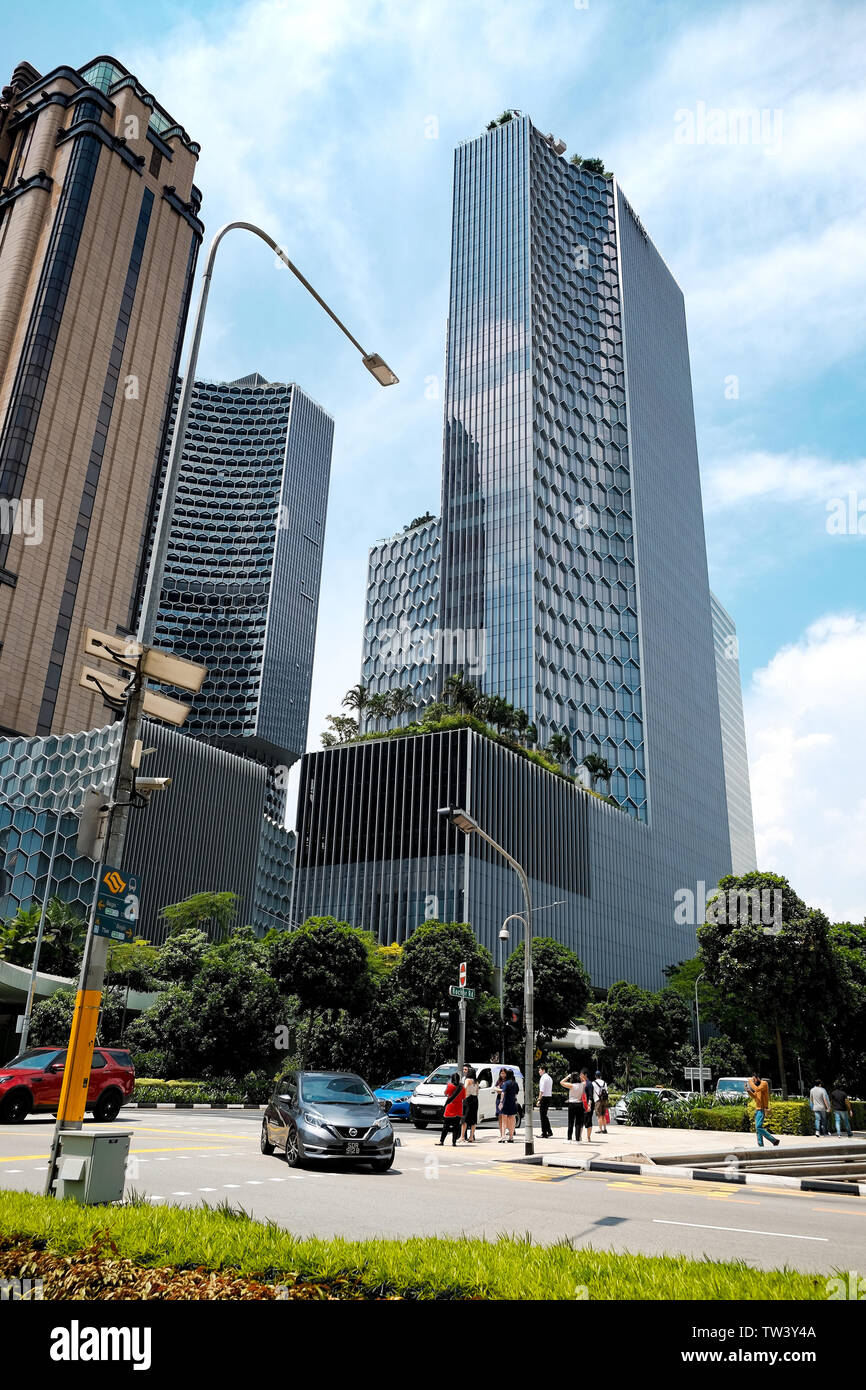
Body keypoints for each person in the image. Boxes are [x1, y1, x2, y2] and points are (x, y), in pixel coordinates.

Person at [745, 1072, 780, 1148]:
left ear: (757, 1078)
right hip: (757, 1109)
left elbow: (757, 1089)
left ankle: (774, 1140)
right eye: (753, 1081)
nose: (753, 1082)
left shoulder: (764, 1084)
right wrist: (748, 1091)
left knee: (758, 1127)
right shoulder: (758, 1087)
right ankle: (760, 1145)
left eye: (754, 1080)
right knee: (757, 1129)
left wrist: (750, 1082)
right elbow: (755, 1096)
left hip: (762, 1109)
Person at [560, 1071, 590, 1142]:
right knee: (578, 1123)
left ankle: (569, 1139)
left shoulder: (571, 1085)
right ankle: (577, 1139)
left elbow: (561, 1082)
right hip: (579, 1104)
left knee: (570, 1122)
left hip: (572, 1104)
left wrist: (568, 1076)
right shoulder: (582, 1085)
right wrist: (580, 1077)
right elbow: (586, 1080)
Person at [438, 1072, 464, 1147]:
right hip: (458, 1108)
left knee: (446, 1126)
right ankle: (454, 1142)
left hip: (450, 1108)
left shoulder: (450, 1086)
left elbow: (445, 1093)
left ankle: (441, 1141)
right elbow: (463, 1097)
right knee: (456, 1127)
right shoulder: (462, 1087)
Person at [499, 1068, 520, 1144]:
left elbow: (502, 1093)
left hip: (506, 1103)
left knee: (504, 1121)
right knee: (512, 1121)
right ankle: (511, 1137)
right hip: (513, 1103)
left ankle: (503, 1137)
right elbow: (516, 1093)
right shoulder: (515, 1083)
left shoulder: (506, 1083)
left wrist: (501, 1102)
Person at [461, 1067, 479, 1143]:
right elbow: (477, 1092)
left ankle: (462, 1137)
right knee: (473, 1119)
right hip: (475, 1100)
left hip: (468, 1099)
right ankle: (471, 1137)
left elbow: (464, 1089)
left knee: (465, 1119)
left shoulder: (467, 1080)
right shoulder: (476, 1081)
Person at [537, 1064, 554, 1139]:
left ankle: (544, 1133)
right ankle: (549, 1131)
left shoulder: (543, 1078)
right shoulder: (549, 1078)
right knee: (545, 1115)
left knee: (542, 1116)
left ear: (543, 1070)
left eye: (540, 1070)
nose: (539, 1071)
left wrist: (539, 1100)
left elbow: (542, 1090)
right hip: (549, 1097)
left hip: (544, 1098)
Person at [579, 1069, 595, 1140]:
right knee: (580, 1121)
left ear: (585, 1075)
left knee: (588, 1121)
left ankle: (588, 1137)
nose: (580, 1076)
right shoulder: (581, 1084)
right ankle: (579, 1136)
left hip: (588, 1105)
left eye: (581, 1075)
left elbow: (591, 1096)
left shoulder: (589, 1084)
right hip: (581, 1105)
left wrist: (589, 1105)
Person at [494, 1067, 509, 1140]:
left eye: (504, 1073)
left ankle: (504, 1133)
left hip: (505, 1100)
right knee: (499, 1117)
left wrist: (500, 1090)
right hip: (499, 1099)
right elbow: (495, 1089)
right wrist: (502, 1090)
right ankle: (501, 1133)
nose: (502, 1075)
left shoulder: (508, 1081)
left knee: (505, 1117)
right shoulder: (499, 1081)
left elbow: (506, 1091)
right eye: (501, 1073)